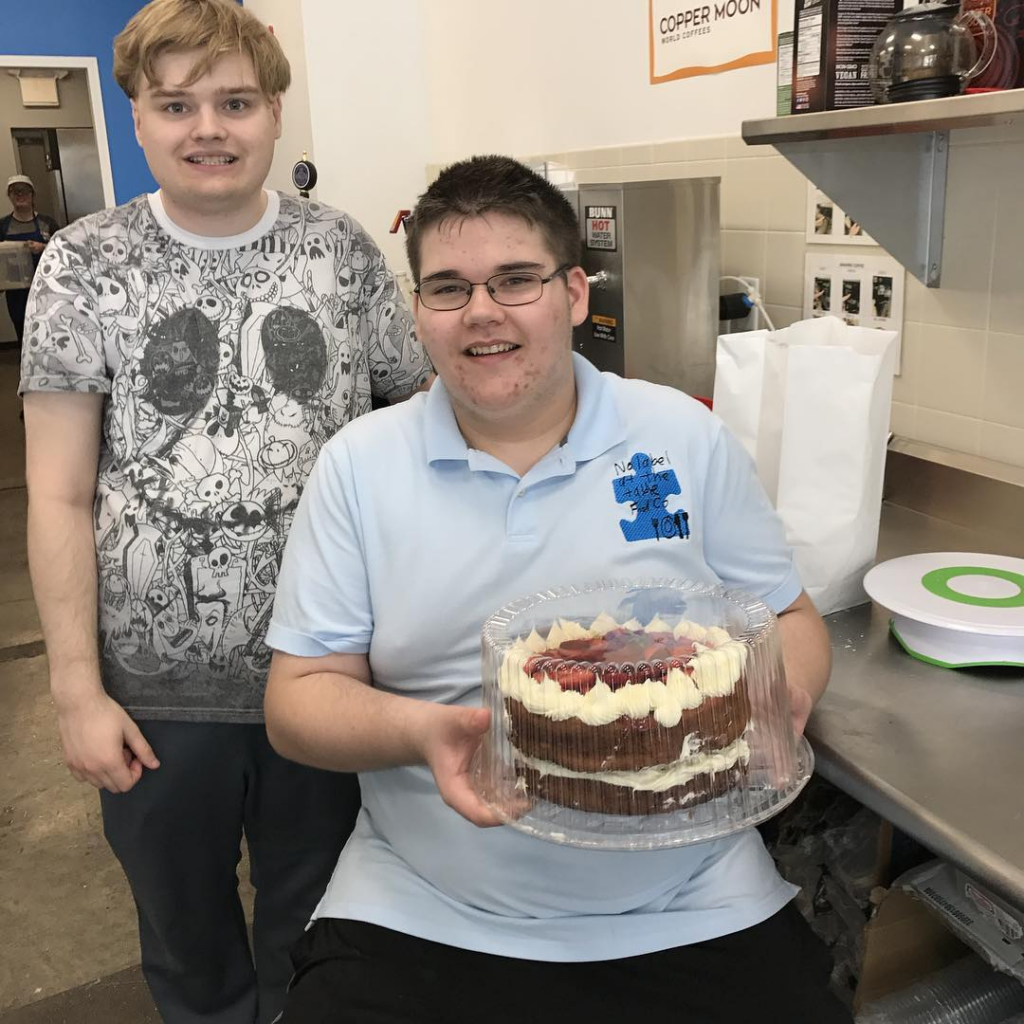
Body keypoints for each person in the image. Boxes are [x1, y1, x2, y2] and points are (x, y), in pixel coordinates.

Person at [263, 155, 852, 1024]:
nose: (482, 312)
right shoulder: (359, 466)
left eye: (516, 280)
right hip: (424, 904)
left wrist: (770, 698)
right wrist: (424, 732)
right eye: (448, 288)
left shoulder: (683, 437)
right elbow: (298, 698)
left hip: (693, 900)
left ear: (574, 293)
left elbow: (789, 619)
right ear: (418, 311)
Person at [20, 2, 431, 1021]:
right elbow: (58, 493)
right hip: (156, 694)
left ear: (275, 112)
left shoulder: (340, 255)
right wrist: (75, 691)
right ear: (138, 118)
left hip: (330, 671)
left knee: (325, 928)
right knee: (186, 940)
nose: (208, 127)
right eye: (177, 105)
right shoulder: (83, 264)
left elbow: (419, 434)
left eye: (236, 102)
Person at [1, 175, 58, 347]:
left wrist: (44, 247)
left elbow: (64, 250)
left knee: (49, 332)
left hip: (46, 289)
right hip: (16, 293)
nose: (20, 195)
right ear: (9, 196)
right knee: (23, 333)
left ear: (32, 195)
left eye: (24, 191)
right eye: (15, 191)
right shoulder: (2, 226)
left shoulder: (47, 223)